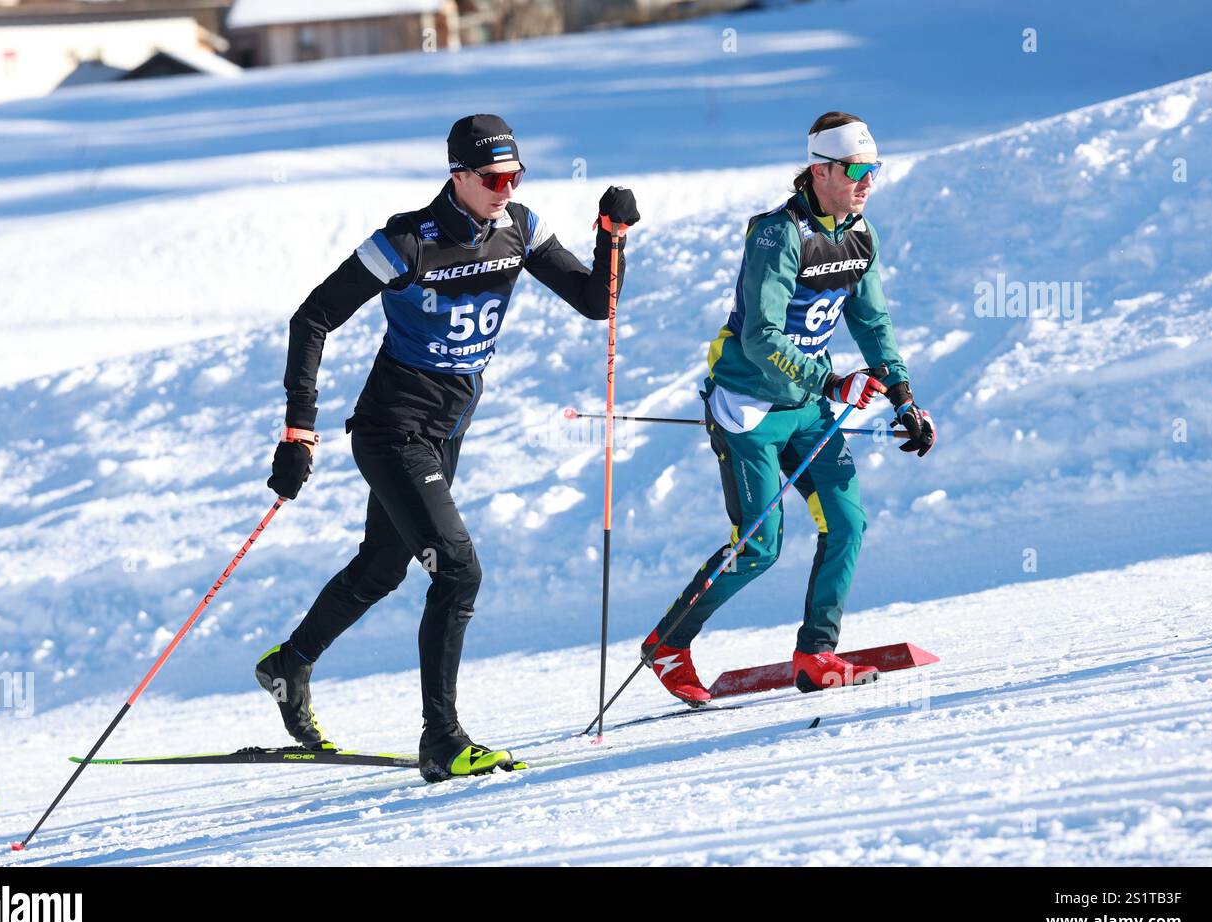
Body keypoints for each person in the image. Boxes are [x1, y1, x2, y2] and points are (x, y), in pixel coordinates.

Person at [257, 114, 640, 780]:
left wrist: (611, 239)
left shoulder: (520, 226)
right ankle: (443, 739)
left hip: (446, 431)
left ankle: (289, 664)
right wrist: (298, 428)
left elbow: (593, 302)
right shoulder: (406, 240)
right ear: (457, 175)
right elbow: (313, 316)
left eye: (514, 176)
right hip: (392, 431)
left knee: (382, 568)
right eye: (493, 178)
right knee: (458, 572)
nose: (505, 188)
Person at [641, 111, 935, 703]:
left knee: (848, 523)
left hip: (807, 408)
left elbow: (873, 323)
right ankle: (667, 644)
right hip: (748, 410)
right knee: (758, 547)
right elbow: (761, 336)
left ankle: (815, 653)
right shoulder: (778, 235)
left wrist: (904, 397)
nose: (866, 182)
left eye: (873, 170)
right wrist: (831, 383)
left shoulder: (860, 234)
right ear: (820, 170)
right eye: (856, 170)